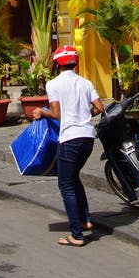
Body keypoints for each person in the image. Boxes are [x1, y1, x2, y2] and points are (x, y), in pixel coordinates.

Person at [32, 44, 104, 247]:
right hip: (87, 138)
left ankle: (76, 234)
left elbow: (57, 114)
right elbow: (99, 107)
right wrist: (85, 115)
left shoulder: (53, 84)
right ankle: (85, 219)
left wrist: (41, 111)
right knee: (73, 177)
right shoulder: (85, 82)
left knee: (65, 184)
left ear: (57, 64)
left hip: (69, 139)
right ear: (75, 62)